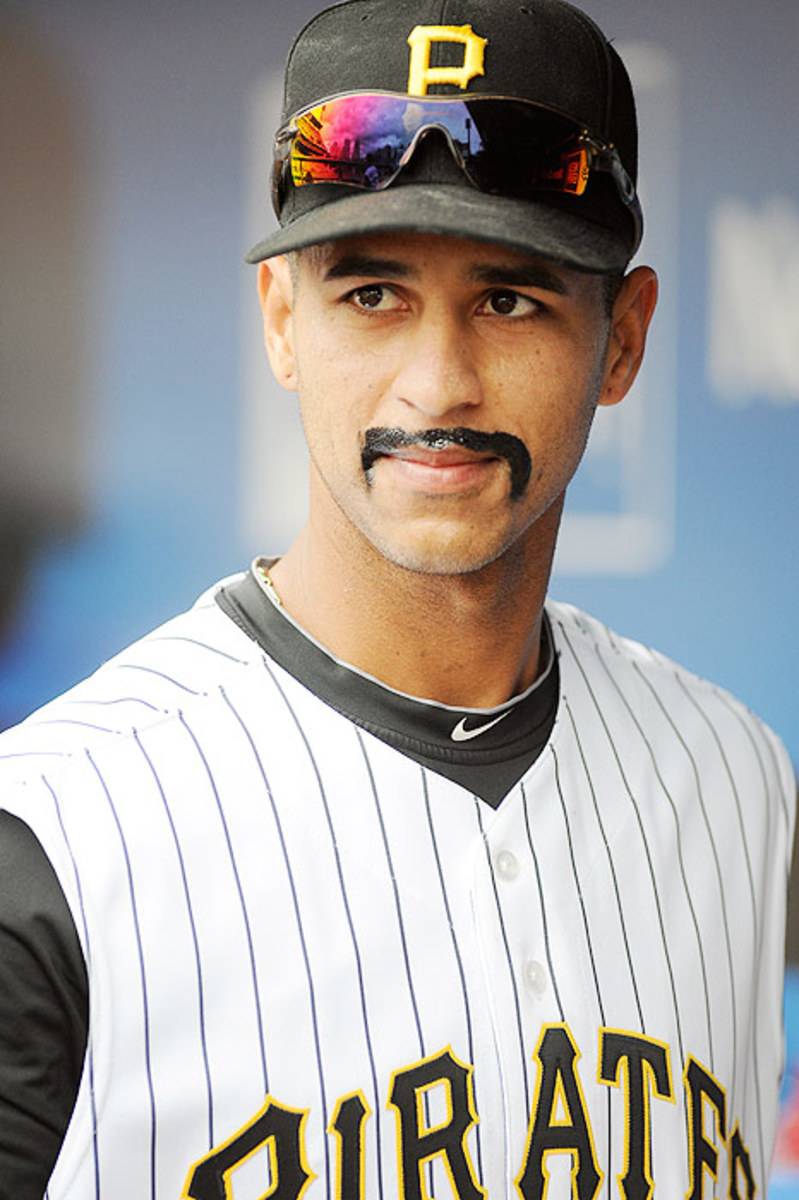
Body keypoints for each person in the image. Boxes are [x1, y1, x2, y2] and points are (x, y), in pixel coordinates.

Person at [0, 0, 794, 1196]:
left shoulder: (734, 779)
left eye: (509, 300)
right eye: (372, 295)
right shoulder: (54, 834)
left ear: (622, 340)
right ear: (282, 321)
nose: (437, 384)